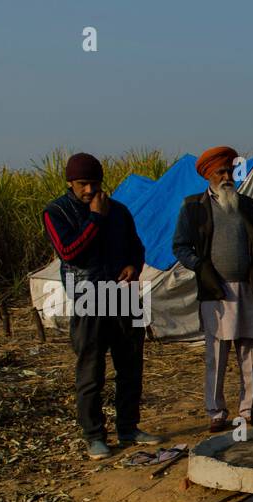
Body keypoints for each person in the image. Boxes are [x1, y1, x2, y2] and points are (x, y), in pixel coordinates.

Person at [43, 152, 160, 460]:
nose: (90, 190)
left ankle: (129, 428)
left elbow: (137, 247)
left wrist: (133, 267)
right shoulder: (56, 212)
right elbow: (70, 253)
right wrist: (96, 218)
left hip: (123, 296)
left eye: (94, 183)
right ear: (70, 183)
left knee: (131, 367)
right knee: (91, 372)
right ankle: (94, 435)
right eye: (83, 184)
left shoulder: (119, 211)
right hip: (88, 298)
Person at [172, 145, 253, 432]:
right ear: (209, 175)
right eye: (221, 171)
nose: (227, 176)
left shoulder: (247, 205)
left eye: (229, 170)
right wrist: (200, 267)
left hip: (247, 288)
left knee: (249, 353)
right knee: (216, 354)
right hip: (215, 290)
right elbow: (180, 246)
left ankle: (250, 410)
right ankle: (216, 413)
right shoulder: (193, 207)